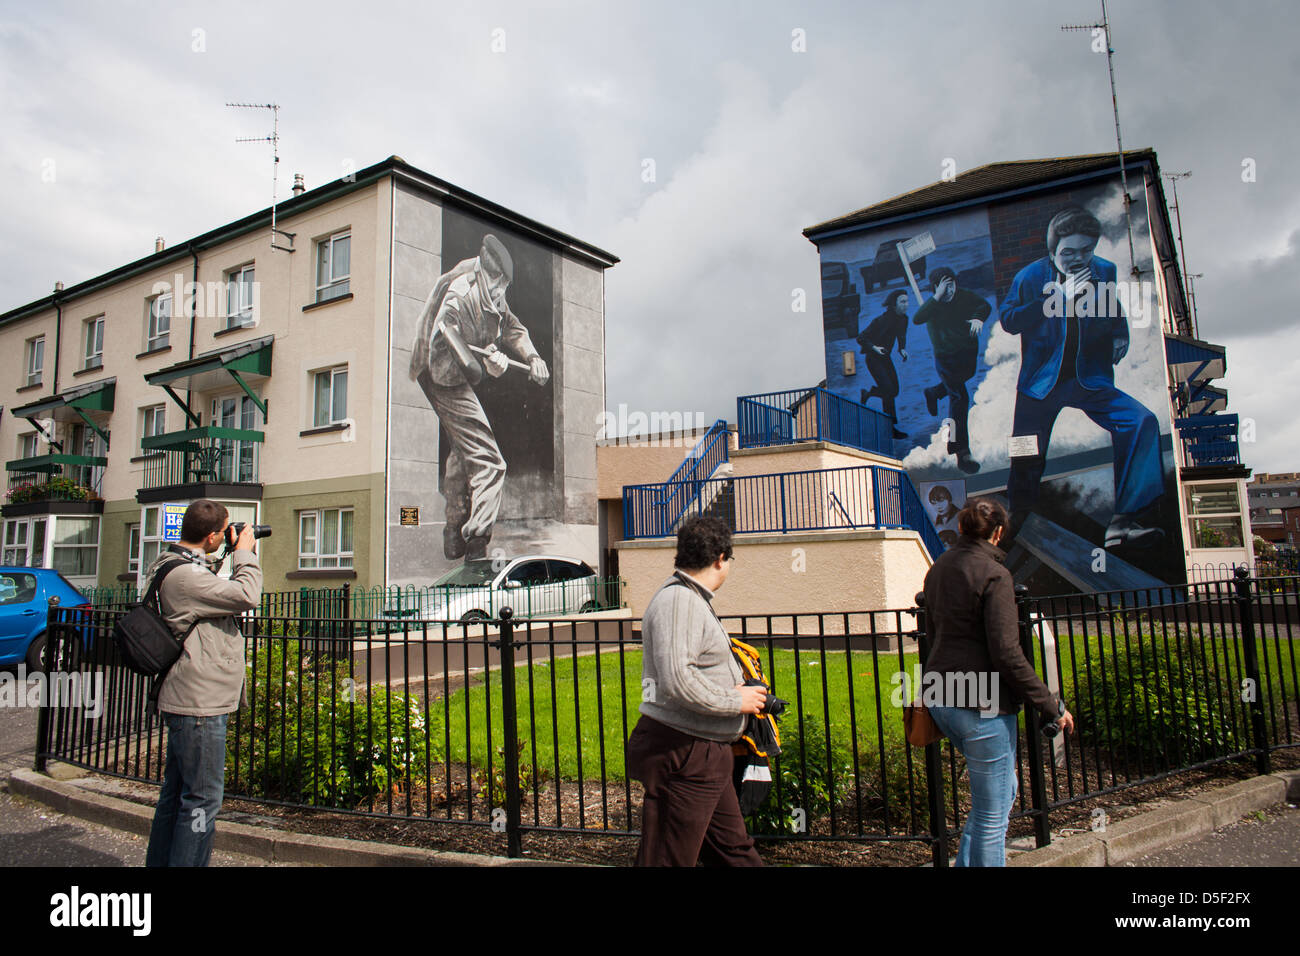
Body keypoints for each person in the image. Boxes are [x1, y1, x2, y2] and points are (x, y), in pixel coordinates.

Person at [998, 206, 1163, 549]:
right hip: (1040, 383)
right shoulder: (1030, 278)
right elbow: (1010, 320)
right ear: (1052, 251)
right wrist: (1054, 301)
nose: (1078, 259)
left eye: (1086, 250)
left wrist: (1121, 333)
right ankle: (1016, 522)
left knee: (1142, 421)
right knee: (1026, 454)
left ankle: (1124, 522)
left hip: (1089, 378)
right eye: (1068, 252)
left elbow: (1112, 305)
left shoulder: (1103, 271)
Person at [922, 497, 1074, 867]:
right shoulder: (995, 575)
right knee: (993, 818)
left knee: (1001, 794)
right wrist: (1051, 704)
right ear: (999, 532)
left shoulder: (938, 567)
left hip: (942, 695)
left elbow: (933, 632)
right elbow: (1007, 652)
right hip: (982, 704)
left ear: (960, 528)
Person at [625, 515, 768, 866]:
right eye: (729, 560)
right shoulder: (680, 602)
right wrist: (737, 700)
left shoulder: (690, 598)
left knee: (734, 852)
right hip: (684, 751)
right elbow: (678, 681)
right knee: (668, 858)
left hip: (703, 752)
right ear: (720, 557)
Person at [409, 234, 550, 562]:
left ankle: (453, 526)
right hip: (441, 375)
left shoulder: (493, 291)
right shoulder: (460, 294)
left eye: (505, 288)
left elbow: (513, 328)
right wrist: (485, 366)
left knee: (463, 449)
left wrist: (532, 358)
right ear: (488, 276)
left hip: (453, 374)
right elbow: (448, 346)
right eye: (500, 285)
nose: (502, 294)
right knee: (489, 460)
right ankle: (477, 540)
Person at [145, 499, 262, 867]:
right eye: (223, 530)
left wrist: (226, 549)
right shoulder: (186, 577)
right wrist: (244, 555)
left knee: (176, 794)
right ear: (211, 535)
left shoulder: (171, 564)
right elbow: (246, 595)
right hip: (199, 705)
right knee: (201, 802)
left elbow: (206, 579)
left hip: (188, 698)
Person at [913, 267, 989, 474]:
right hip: (946, 359)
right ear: (935, 288)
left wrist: (978, 318)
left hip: (967, 355)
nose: (950, 290)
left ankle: (935, 392)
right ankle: (961, 450)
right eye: (944, 287)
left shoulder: (964, 296)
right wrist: (937, 297)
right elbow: (917, 318)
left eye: (952, 284)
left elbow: (984, 305)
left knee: (967, 377)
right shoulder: (932, 306)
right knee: (959, 398)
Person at [857, 289, 910, 439]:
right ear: (894, 305)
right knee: (888, 392)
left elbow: (901, 335)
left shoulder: (904, 319)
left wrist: (902, 349)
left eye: (907, 301)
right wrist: (874, 347)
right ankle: (891, 428)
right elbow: (861, 338)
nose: (906, 304)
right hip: (873, 358)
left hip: (885, 358)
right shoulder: (881, 320)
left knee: (894, 391)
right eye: (902, 302)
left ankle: (870, 393)